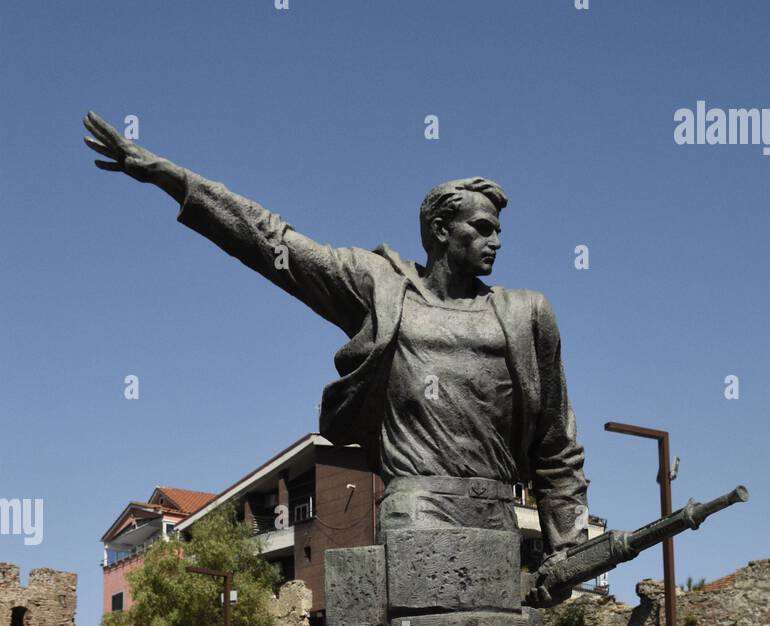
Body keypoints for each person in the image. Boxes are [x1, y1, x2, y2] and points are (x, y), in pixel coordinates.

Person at [83, 112, 589, 556]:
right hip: (414, 509)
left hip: (495, 513)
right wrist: (171, 177)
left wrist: (568, 547)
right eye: (482, 228)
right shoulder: (380, 288)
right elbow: (272, 240)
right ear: (439, 230)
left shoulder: (525, 315)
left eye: (498, 229)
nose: (496, 240)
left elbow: (556, 445)